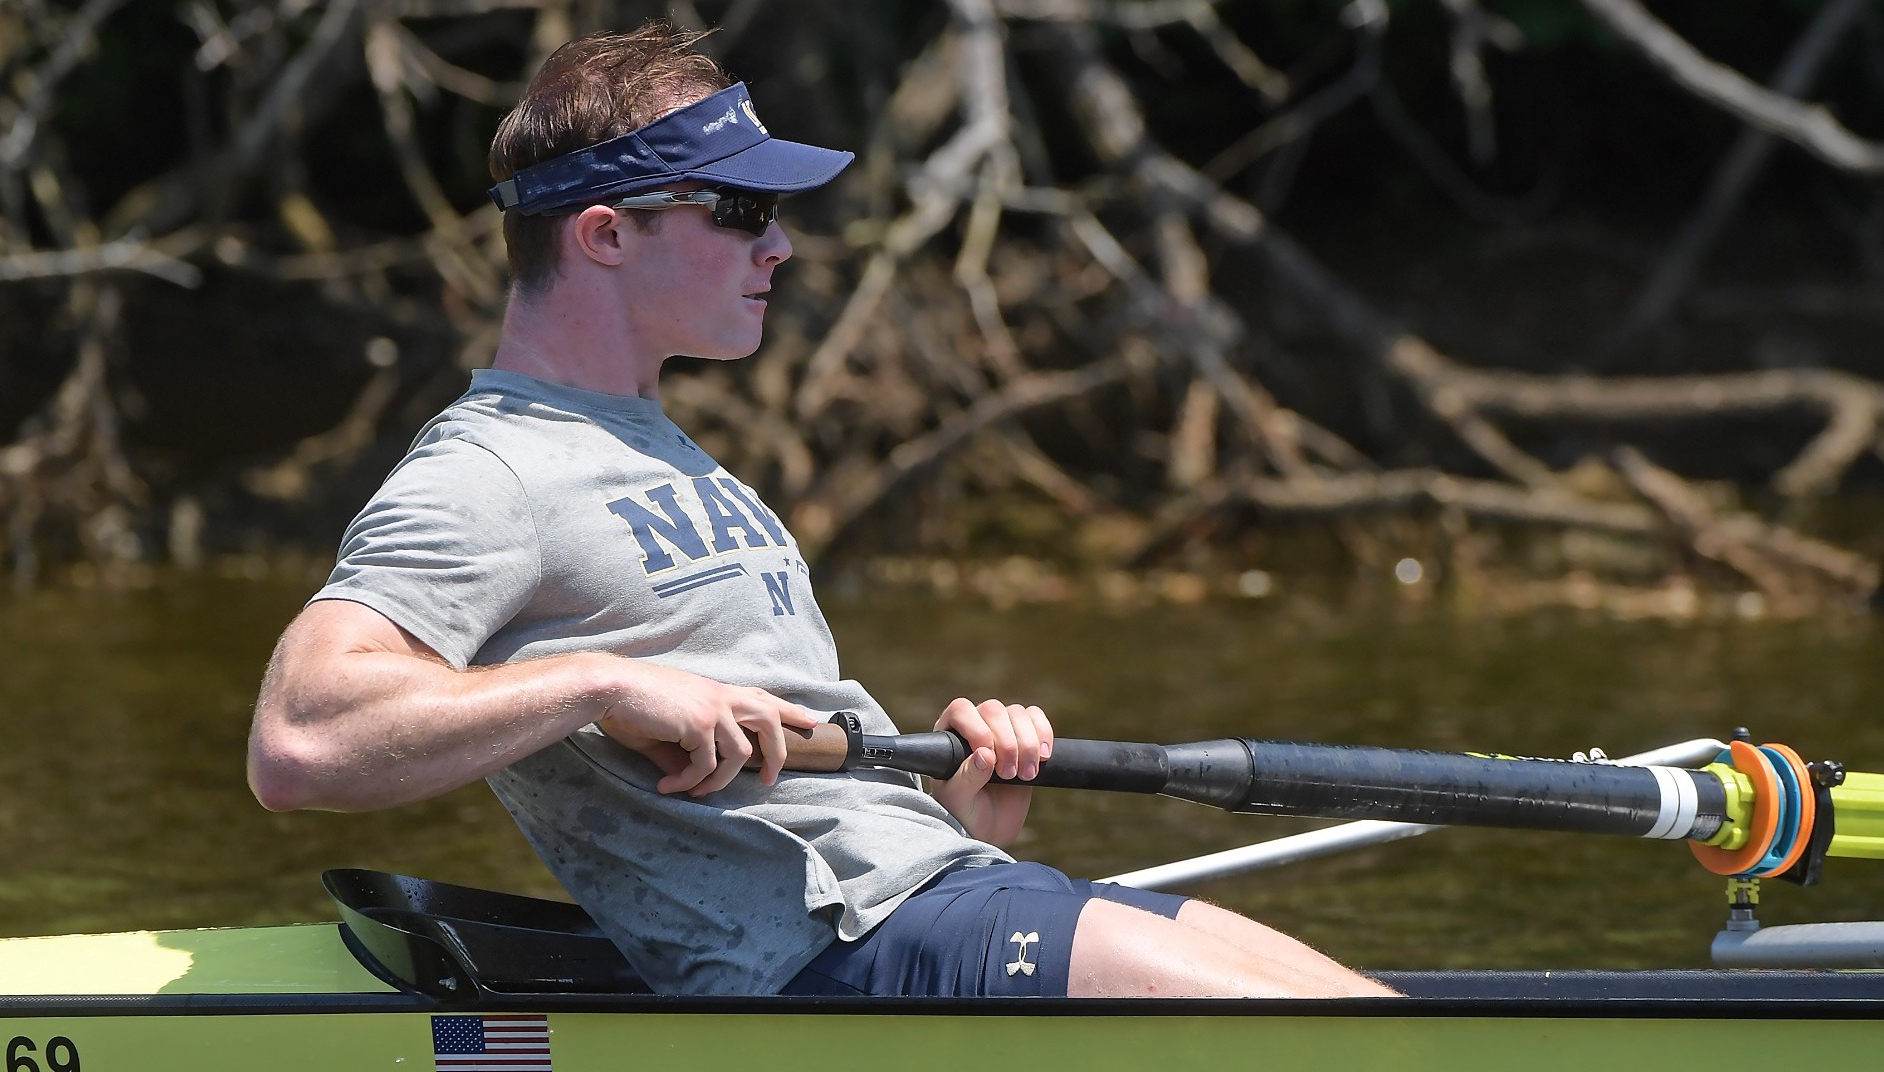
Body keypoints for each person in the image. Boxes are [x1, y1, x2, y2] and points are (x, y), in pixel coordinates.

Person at [247, 24, 1391, 1000]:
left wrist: (958, 798)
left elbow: (802, 788)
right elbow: (299, 743)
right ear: (604, 234)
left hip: (937, 897)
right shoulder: (489, 471)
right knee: (1376, 1060)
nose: (781, 243)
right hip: (835, 951)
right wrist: (597, 684)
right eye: (743, 209)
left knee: (1376, 1016)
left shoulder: (682, 459)